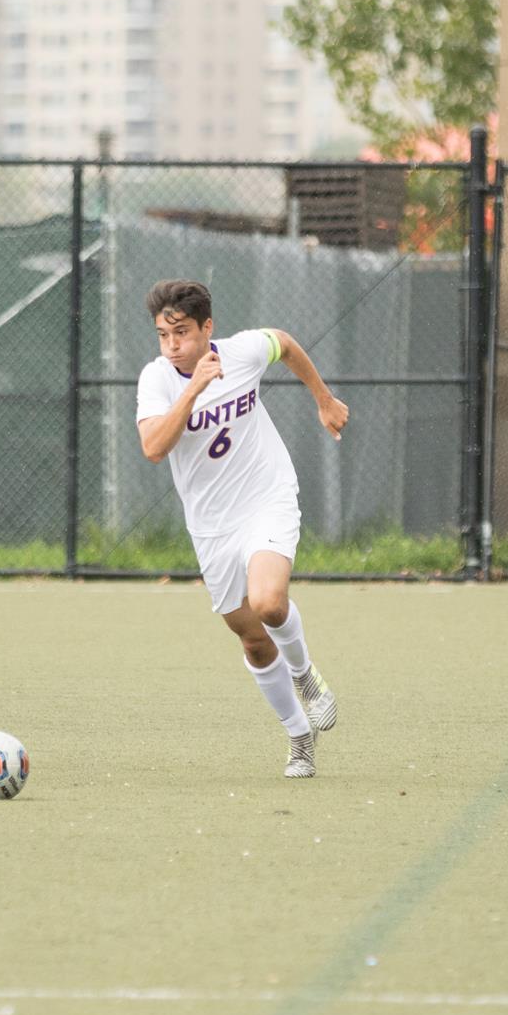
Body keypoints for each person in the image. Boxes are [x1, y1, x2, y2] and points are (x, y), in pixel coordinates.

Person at [135, 280, 347, 778]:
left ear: (207, 328)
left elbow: (285, 344)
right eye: (163, 335)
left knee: (269, 602)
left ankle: (305, 676)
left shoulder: (244, 351)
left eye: (182, 333)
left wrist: (323, 399)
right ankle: (299, 736)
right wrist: (194, 388)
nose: (172, 345)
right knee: (251, 638)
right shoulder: (157, 379)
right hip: (212, 525)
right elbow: (154, 448)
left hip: (266, 496)